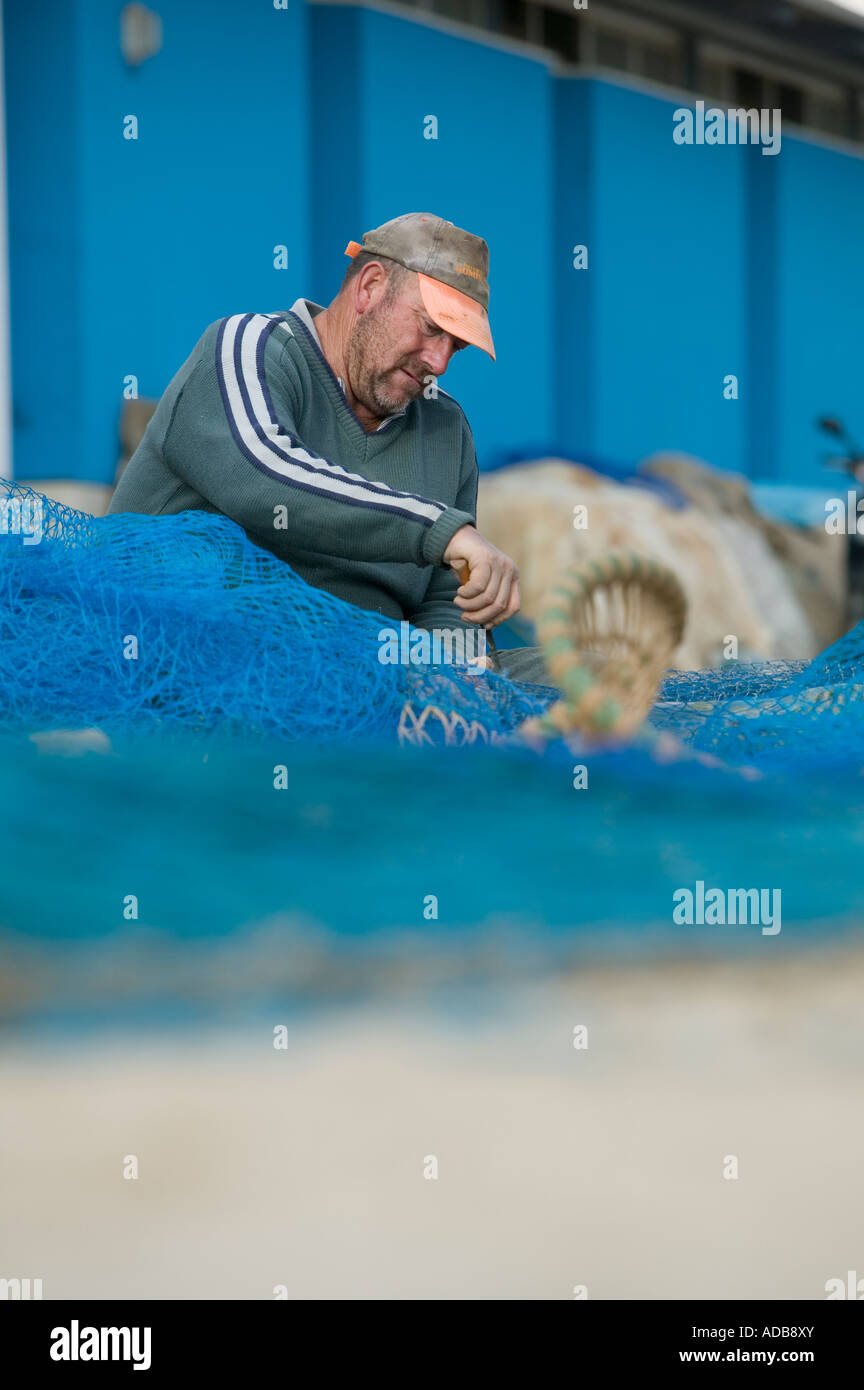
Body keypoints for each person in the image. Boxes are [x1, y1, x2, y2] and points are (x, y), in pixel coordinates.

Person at [109, 212, 548, 684]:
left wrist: (456, 675)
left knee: (607, 684)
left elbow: (445, 601)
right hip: (196, 662)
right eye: (430, 328)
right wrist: (442, 532)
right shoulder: (246, 347)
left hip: (373, 679)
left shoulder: (446, 428)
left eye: (455, 346)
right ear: (370, 287)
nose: (438, 362)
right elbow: (266, 475)